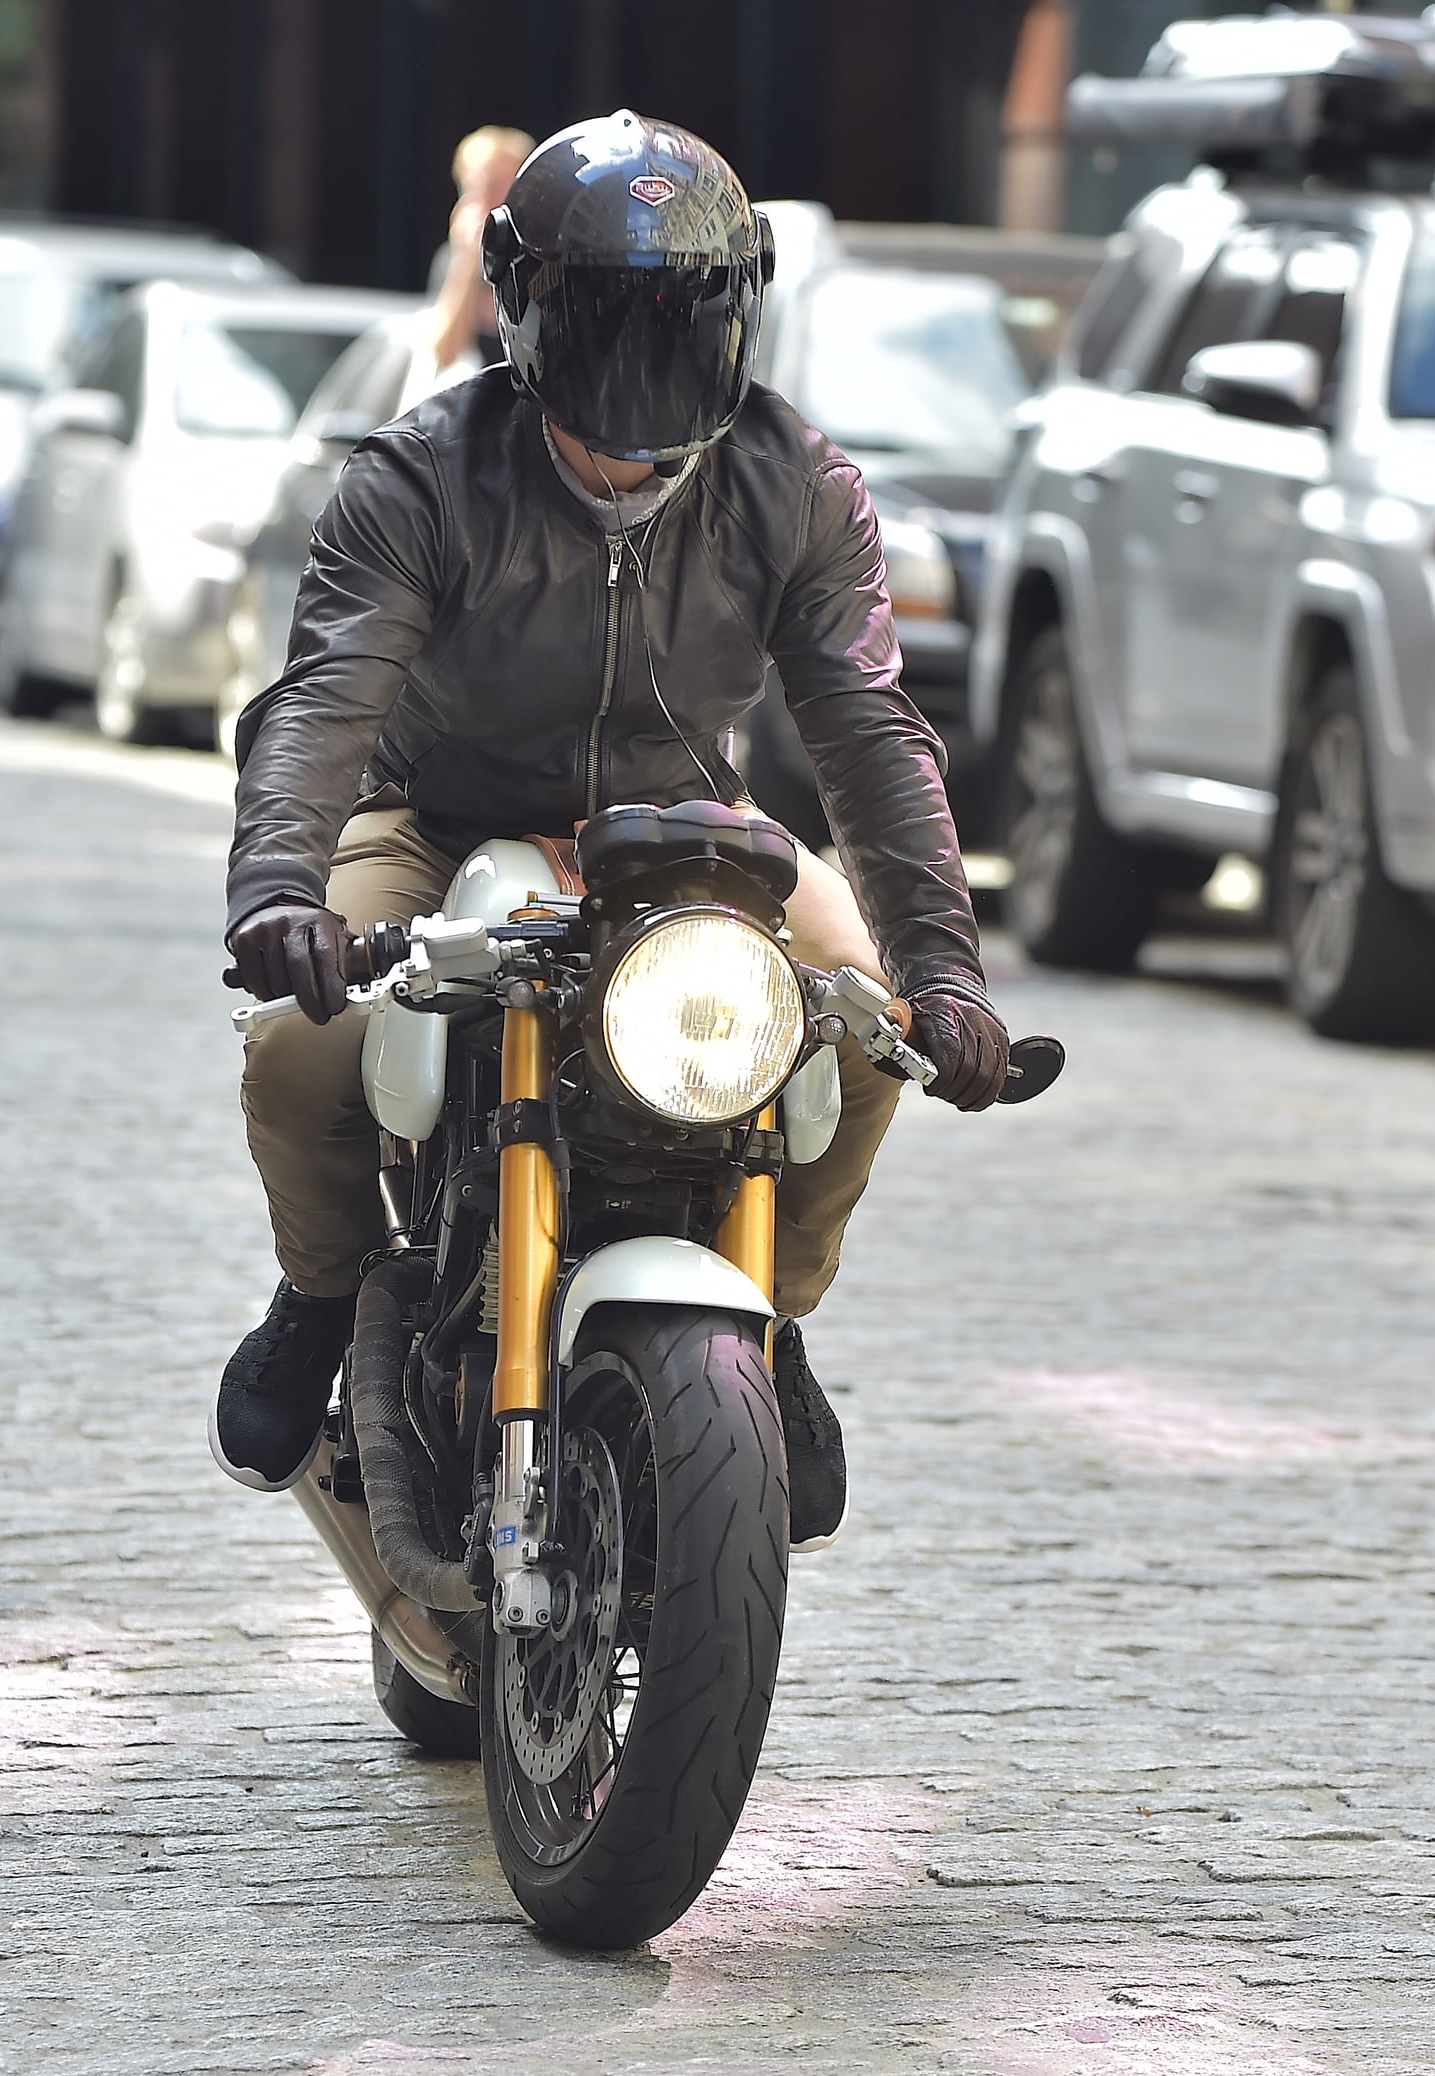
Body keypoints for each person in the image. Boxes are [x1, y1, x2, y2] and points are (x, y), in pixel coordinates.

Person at [213, 111, 1010, 1552]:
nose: (639, 384)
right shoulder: (416, 475)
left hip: (691, 832)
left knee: (865, 1022)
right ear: (526, 307)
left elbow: (872, 732)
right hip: (432, 814)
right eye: (606, 322)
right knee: (299, 1051)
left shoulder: (802, 486)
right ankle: (323, 1292)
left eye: (682, 320)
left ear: (737, 315)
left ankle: (771, 1319)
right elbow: (326, 697)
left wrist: (944, 968)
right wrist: (282, 887)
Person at [396, 124, 534, 413]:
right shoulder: (455, 261)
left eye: (502, 187)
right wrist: (469, 259)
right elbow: (445, 351)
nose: (491, 201)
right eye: (478, 190)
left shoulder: (540, 258)